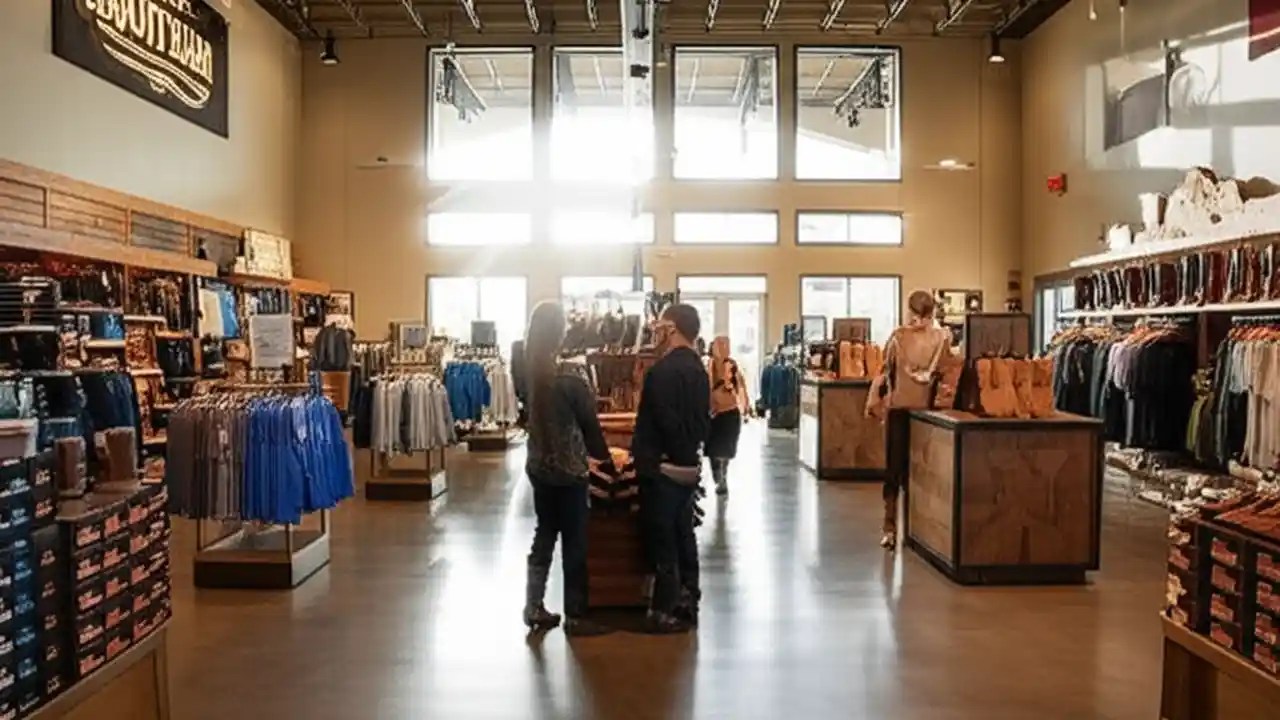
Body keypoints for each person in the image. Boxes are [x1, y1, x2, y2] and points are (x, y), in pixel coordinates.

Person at [522, 301, 615, 637]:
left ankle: (533, 605)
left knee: (545, 532)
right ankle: (576, 613)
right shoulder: (570, 377)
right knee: (575, 540)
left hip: (539, 465)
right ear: (560, 331)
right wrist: (607, 462)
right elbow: (590, 428)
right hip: (571, 469)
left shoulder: (530, 370)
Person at [632, 304, 710, 633]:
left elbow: (663, 419)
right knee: (683, 533)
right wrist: (688, 455)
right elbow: (703, 421)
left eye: (661, 326)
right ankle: (687, 597)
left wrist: (664, 457)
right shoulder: (700, 371)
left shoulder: (661, 372)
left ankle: (663, 608)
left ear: (673, 328)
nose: (656, 332)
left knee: (662, 538)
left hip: (663, 467)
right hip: (688, 465)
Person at [872, 290, 951, 551]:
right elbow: (945, 372)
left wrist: (876, 401)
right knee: (921, 471)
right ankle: (918, 528)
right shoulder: (942, 338)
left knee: (894, 468)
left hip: (900, 407)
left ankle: (889, 527)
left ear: (910, 311)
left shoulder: (898, 338)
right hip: (929, 413)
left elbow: (886, 371)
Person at [706, 336, 750, 496]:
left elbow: (741, 386)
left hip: (730, 413)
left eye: (726, 345)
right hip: (714, 414)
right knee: (713, 450)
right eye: (720, 344)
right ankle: (718, 476)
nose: (723, 348)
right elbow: (706, 386)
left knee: (725, 449)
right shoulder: (709, 365)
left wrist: (745, 408)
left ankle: (723, 478)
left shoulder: (732, 366)